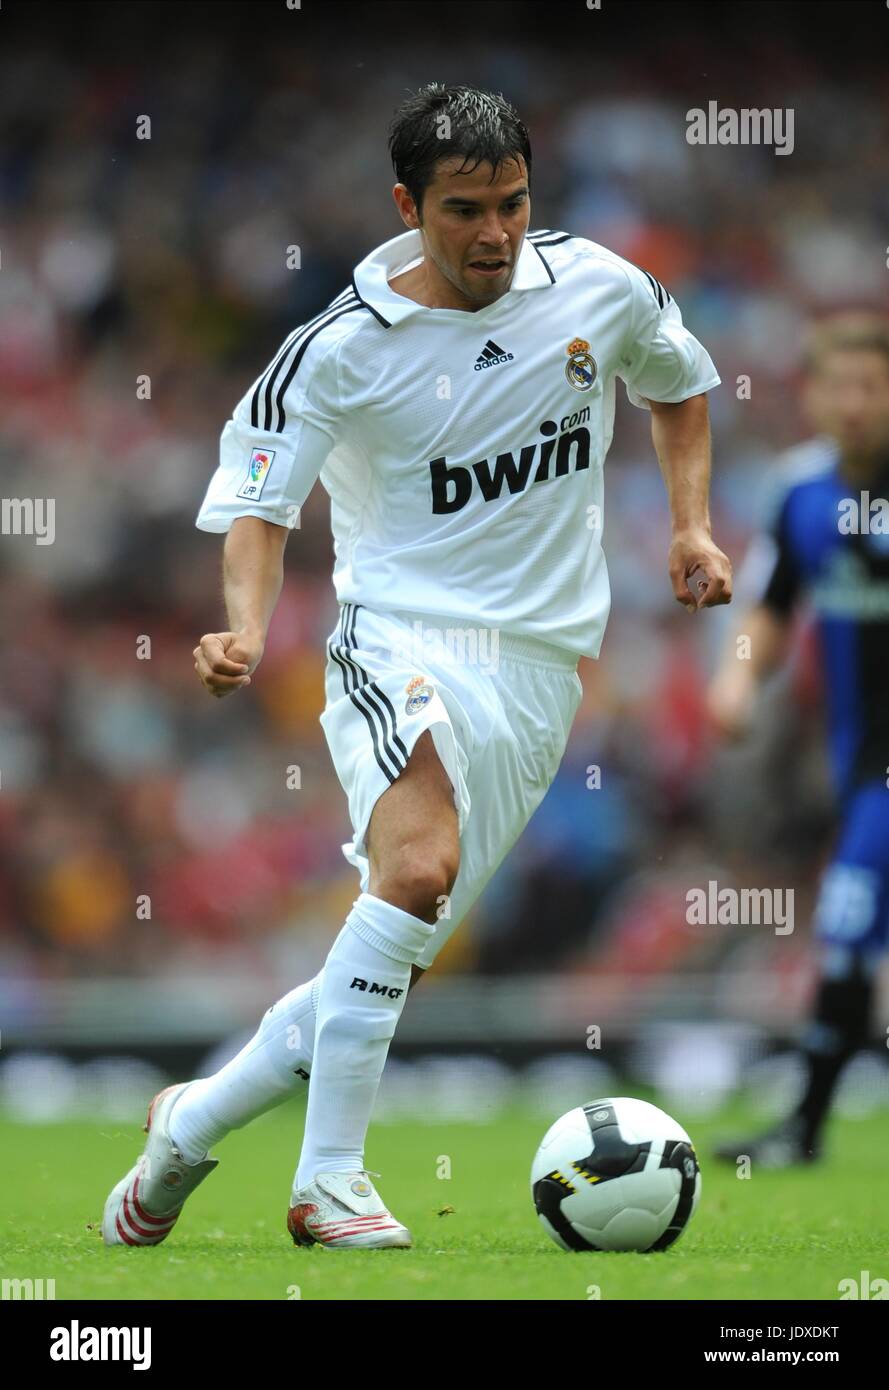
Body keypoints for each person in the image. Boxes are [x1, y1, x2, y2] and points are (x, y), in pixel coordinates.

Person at [103, 82, 731, 1251]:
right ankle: (328, 1182)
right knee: (418, 867)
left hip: (541, 670)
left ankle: (189, 1120)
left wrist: (690, 526)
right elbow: (258, 507)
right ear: (407, 205)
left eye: (511, 203)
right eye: (463, 211)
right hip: (399, 640)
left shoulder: (599, 286)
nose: (492, 232)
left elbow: (682, 385)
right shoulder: (334, 350)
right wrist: (244, 624)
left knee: (392, 940)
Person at [709, 313, 889, 1168]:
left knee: (849, 922)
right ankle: (804, 1131)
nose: (853, 404)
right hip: (862, 765)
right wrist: (739, 678)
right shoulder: (799, 492)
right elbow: (772, 605)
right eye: (838, 386)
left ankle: (803, 1129)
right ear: (811, 395)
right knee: (849, 929)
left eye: (871, 385)